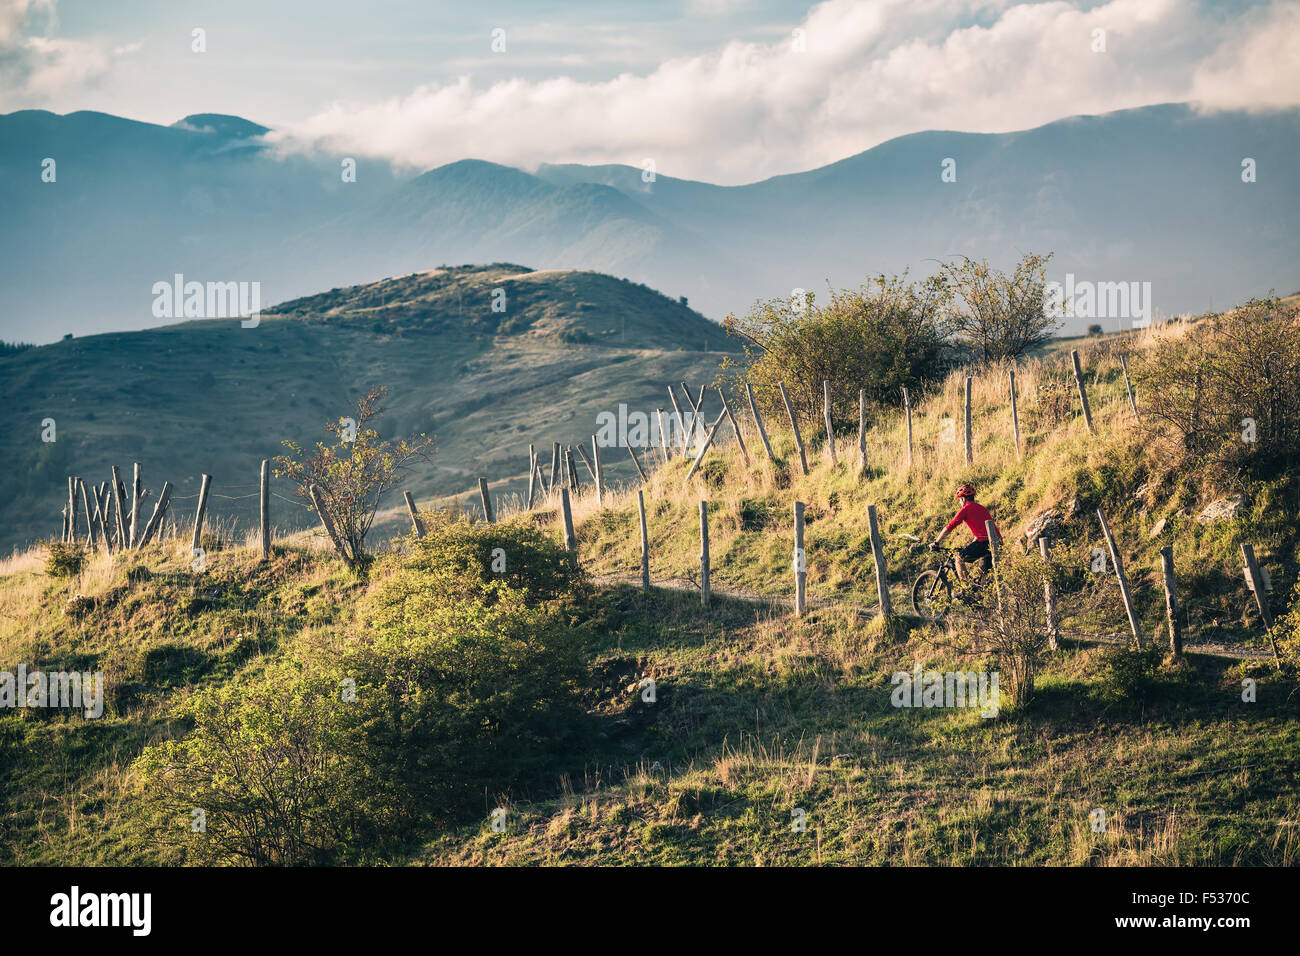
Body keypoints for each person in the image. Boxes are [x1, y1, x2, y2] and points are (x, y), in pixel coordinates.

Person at [930, 483, 1001, 582]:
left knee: (959, 559)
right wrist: (972, 544)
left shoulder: (965, 509)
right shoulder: (981, 508)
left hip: (984, 542)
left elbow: (950, 526)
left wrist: (936, 542)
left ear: (963, 499)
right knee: (983, 577)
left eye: (959, 500)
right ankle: (978, 591)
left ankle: (967, 588)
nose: (959, 502)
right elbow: (983, 530)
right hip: (997, 542)